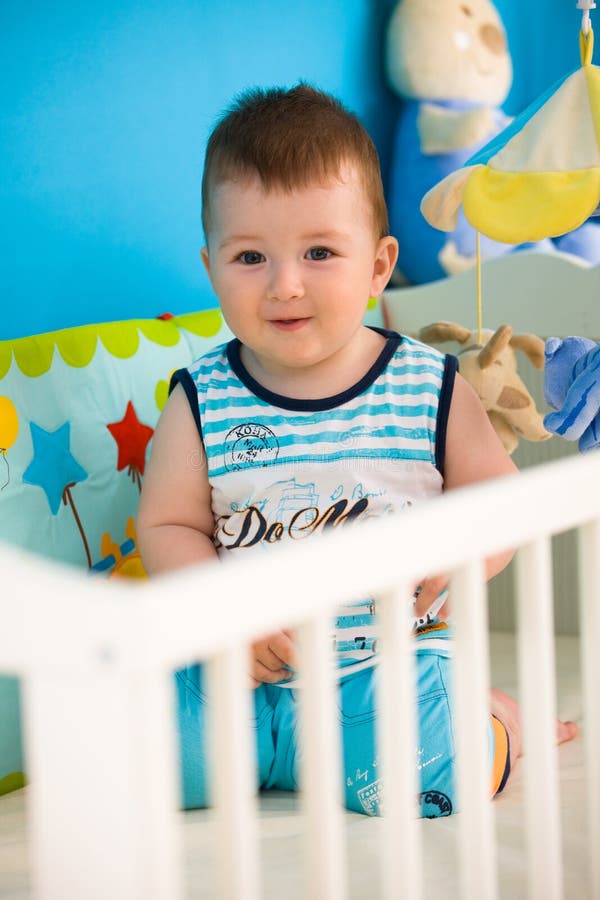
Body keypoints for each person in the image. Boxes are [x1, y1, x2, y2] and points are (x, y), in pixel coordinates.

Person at [137, 83, 577, 817]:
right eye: (250, 256)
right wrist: (218, 621)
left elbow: (501, 496)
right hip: (239, 664)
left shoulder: (424, 384)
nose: (285, 284)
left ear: (378, 267)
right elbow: (169, 525)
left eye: (318, 251)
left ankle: (498, 719)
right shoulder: (200, 399)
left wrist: (464, 550)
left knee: (436, 780)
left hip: (383, 671)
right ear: (211, 265)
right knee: (147, 764)